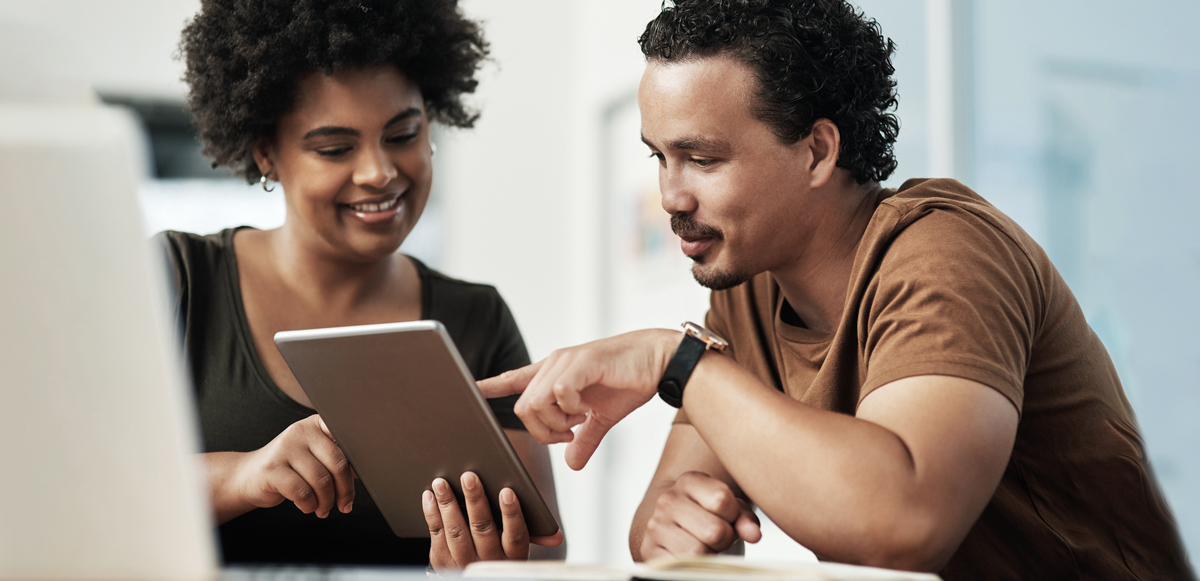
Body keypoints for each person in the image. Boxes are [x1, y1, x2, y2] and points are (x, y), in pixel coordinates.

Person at [479, 1, 1194, 579]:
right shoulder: (748, 288)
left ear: (818, 151)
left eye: (701, 158)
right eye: (660, 157)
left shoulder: (945, 253)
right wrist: (675, 522)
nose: (670, 194)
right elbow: (657, 527)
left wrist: (672, 361)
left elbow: (901, 526)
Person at [165, 0, 563, 570]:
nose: (378, 172)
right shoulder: (180, 279)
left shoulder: (476, 317)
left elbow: (546, 548)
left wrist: (490, 563)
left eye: (403, 133)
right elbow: (79, 484)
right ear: (265, 153)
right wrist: (245, 474)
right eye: (334, 149)